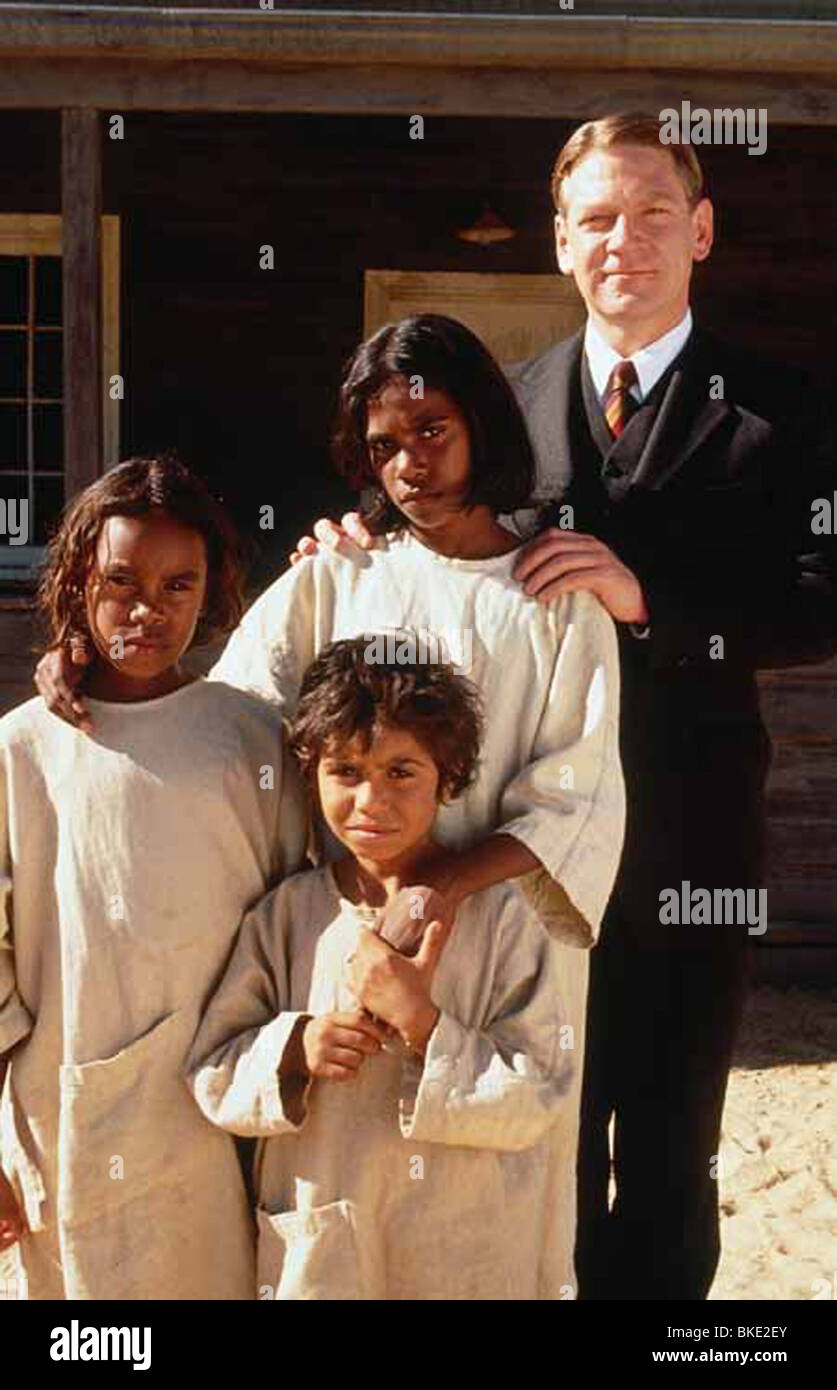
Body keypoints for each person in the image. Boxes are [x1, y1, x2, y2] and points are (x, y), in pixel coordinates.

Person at [282, 115, 837, 1299]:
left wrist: (655, 604)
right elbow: (428, 519)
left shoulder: (784, 410)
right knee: (547, 1140)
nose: (621, 240)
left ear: (699, 231)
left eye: (648, 214)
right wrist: (350, 543)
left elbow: (824, 600)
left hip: (690, 842)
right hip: (513, 853)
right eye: (595, 218)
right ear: (559, 242)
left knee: (674, 1151)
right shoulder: (508, 406)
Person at [34, 312, 626, 1293]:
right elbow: (221, 715)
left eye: (432, 429)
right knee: (337, 1195)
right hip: (342, 933)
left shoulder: (553, 596)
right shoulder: (341, 575)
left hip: (501, 943)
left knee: (495, 1195)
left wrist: (439, 888)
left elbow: (578, 793)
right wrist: (86, 669)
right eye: (384, 445)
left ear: (483, 420)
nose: (409, 465)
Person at [0, 456, 306, 1299]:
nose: (146, 610)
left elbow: (295, 925)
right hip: (66, 1121)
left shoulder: (251, 739)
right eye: (120, 581)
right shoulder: (24, 748)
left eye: (179, 585)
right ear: (75, 583)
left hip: (225, 1119)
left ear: (212, 591)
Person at [187, 639, 575, 1300]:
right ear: (310, 771)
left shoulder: (497, 919)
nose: (371, 801)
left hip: (461, 1248)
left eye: (401, 772)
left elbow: (540, 1091)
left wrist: (422, 1022)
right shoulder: (287, 917)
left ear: (448, 779)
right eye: (345, 770)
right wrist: (293, 1049)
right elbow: (212, 1070)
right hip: (327, 1246)